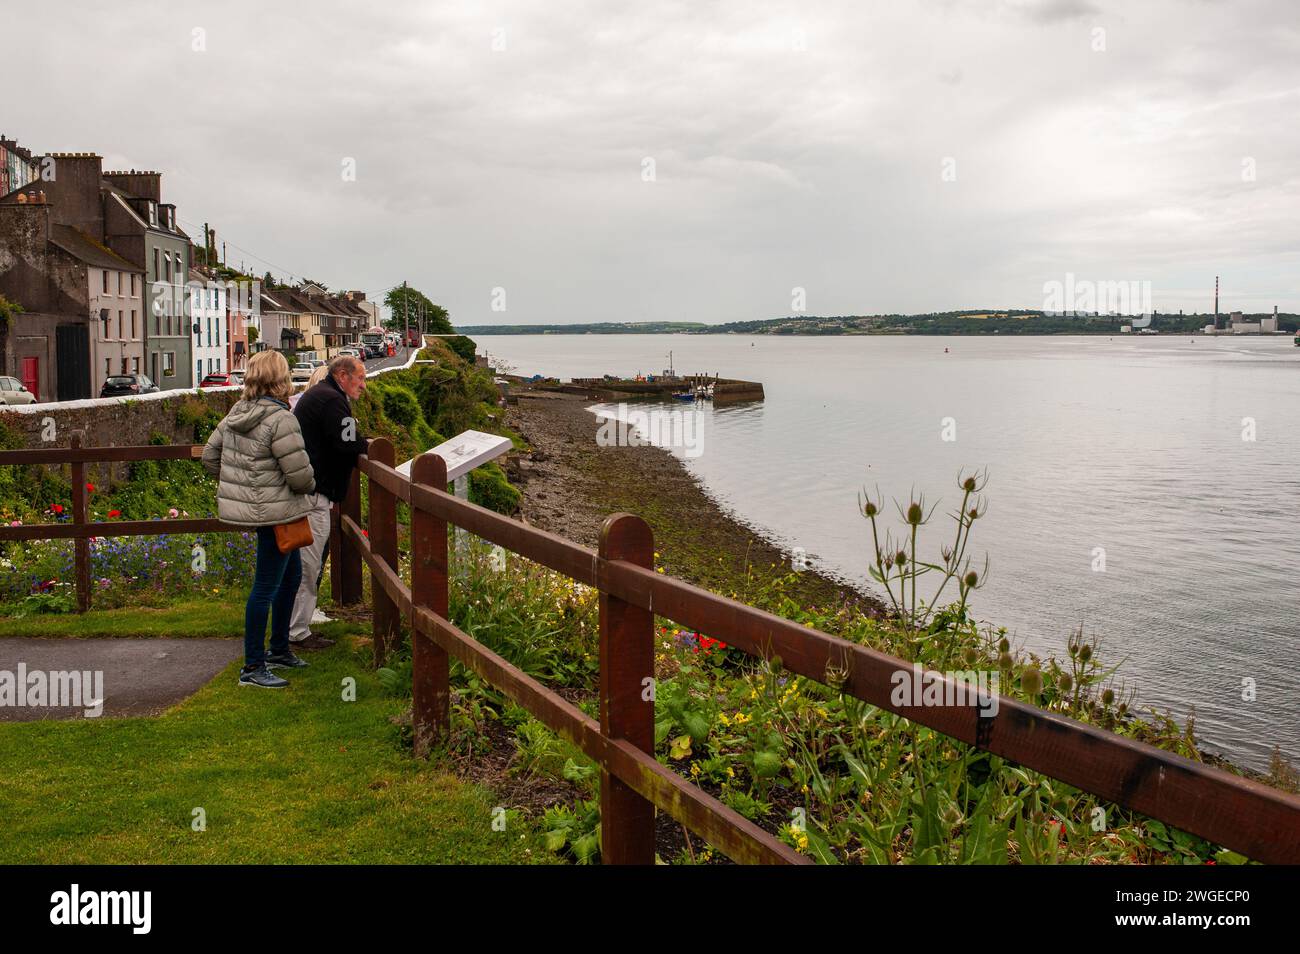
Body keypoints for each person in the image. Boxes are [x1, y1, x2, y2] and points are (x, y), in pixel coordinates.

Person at [202, 350, 316, 688]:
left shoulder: (238, 413)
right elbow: (299, 477)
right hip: (277, 511)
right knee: (265, 587)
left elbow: (210, 457)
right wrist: (305, 485)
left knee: (290, 576)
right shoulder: (282, 419)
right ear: (281, 380)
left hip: (268, 511)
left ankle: (278, 649)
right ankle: (253, 666)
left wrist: (246, 487)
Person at [289, 354, 369, 649]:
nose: (363, 385)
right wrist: (368, 447)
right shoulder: (334, 401)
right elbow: (349, 442)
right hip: (314, 494)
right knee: (309, 564)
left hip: (309, 491)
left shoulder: (320, 395)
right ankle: (297, 632)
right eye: (360, 378)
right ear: (342, 375)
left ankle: (295, 626)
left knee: (304, 561)